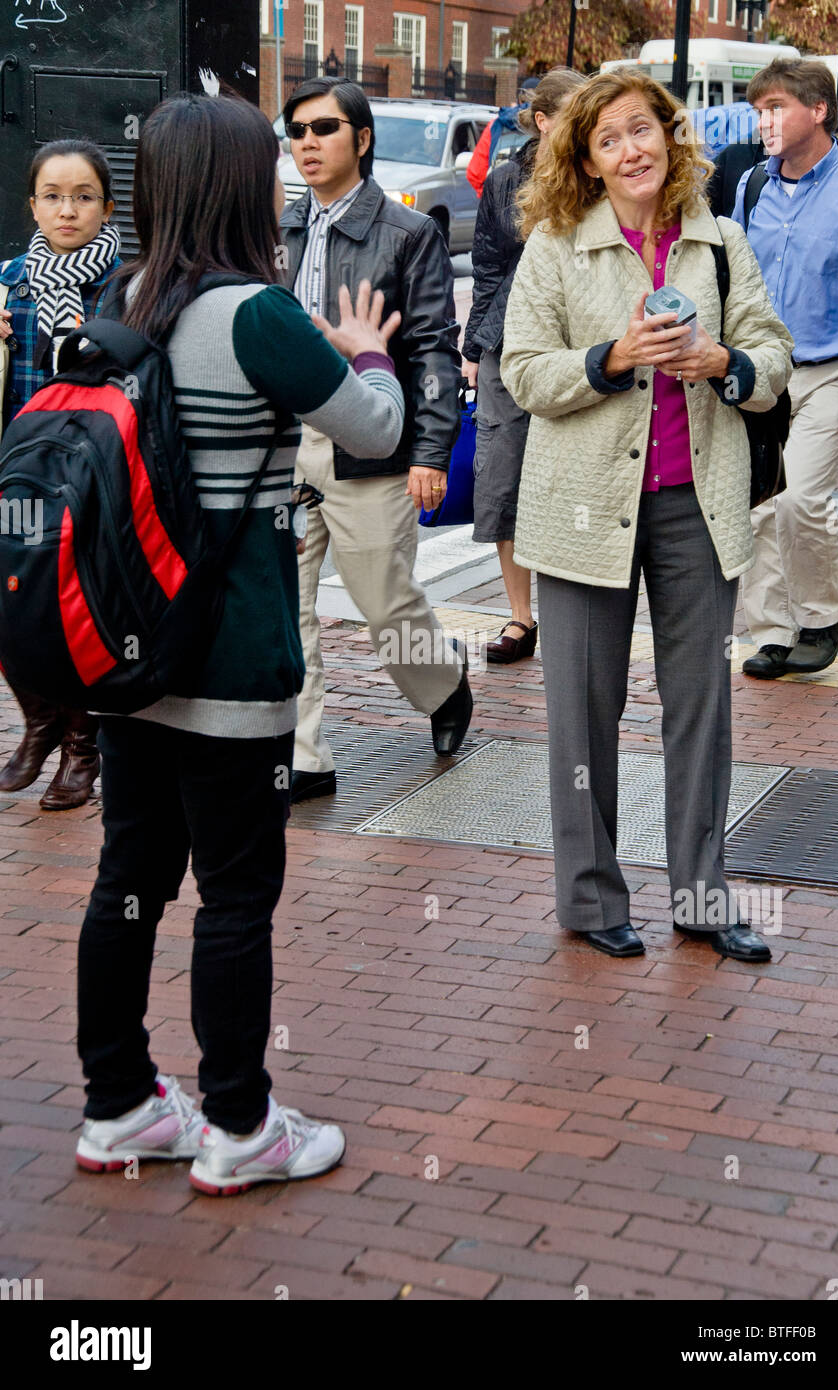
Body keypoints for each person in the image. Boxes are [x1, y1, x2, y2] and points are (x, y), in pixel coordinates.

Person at [74, 92, 406, 1193]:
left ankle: (118, 1104)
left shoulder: (118, 302)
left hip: (126, 650)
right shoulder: (257, 312)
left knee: (128, 880)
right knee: (234, 894)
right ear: (235, 185)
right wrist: (365, 353)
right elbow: (373, 433)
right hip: (229, 658)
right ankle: (238, 1125)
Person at [501, 69, 792, 963]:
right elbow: (522, 373)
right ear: (586, 162)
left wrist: (724, 363)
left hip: (696, 507)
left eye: (643, 129)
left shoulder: (719, 241)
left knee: (701, 710)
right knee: (582, 713)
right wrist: (612, 356)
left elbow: (774, 355)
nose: (631, 149)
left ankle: (702, 901)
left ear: (669, 136)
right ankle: (591, 899)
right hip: (583, 511)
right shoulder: (555, 245)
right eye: (609, 139)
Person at [279, 77, 471, 805]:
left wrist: (429, 452)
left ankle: (444, 685)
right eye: (296, 131)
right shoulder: (281, 229)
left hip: (370, 441)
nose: (306, 143)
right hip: (286, 444)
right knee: (285, 606)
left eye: (323, 129)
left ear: (361, 140)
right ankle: (304, 755)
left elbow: (431, 349)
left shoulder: (407, 232)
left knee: (384, 603)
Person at [733, 60, 838, 680]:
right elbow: (735, 280)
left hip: (831, 370)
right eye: (758, 110)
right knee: (760, 506)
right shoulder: (752, 186)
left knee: (802, 499)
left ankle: (822, 617)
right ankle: (773, 634)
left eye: (777, 108)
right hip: (763, 371)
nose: (764, 122)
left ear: (818, 111)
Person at [0, 140, 121, 810]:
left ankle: (82, 743)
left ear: (106, 205)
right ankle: (41, 723)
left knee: (75, 611)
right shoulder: (9, 279)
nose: (66, 210)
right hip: (16, 469)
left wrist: (98, 344)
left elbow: (143, 378)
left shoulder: (124, 285)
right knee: (12, 606)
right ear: (32, 203)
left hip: (89, 471)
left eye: (82, 197)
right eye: (52, 196)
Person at [463, 69, 586, 663]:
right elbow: (486, 265)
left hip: (578, 347)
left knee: (573, 479)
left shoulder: (598, 177)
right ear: (543, 121)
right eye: (576, 113)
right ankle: (520, 618)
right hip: (505, 345)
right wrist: (471, 351)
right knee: (503, 477)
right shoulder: (507, 179)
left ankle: (575, 614)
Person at [467, 77, 540, 196]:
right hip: (533, 202)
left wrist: (489, 198)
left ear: (519, 100)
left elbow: (475, 173)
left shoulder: (496, 125)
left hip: (498, 199)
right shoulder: (545, 126)